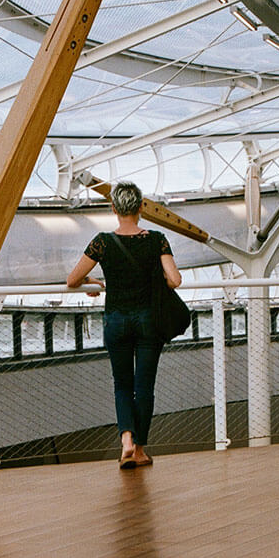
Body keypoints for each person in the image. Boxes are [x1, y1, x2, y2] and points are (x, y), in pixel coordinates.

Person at [66, 181, 183, 469]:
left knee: (122, 384)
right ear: (141, 207)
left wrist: (95, 283)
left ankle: (126, 440)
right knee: (144, 388)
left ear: (114, 208)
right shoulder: (156, 239)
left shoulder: (102, 241)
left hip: (116, 321)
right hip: (148, 322)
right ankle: (140, 450)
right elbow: (175, 280)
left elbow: (72, 280)